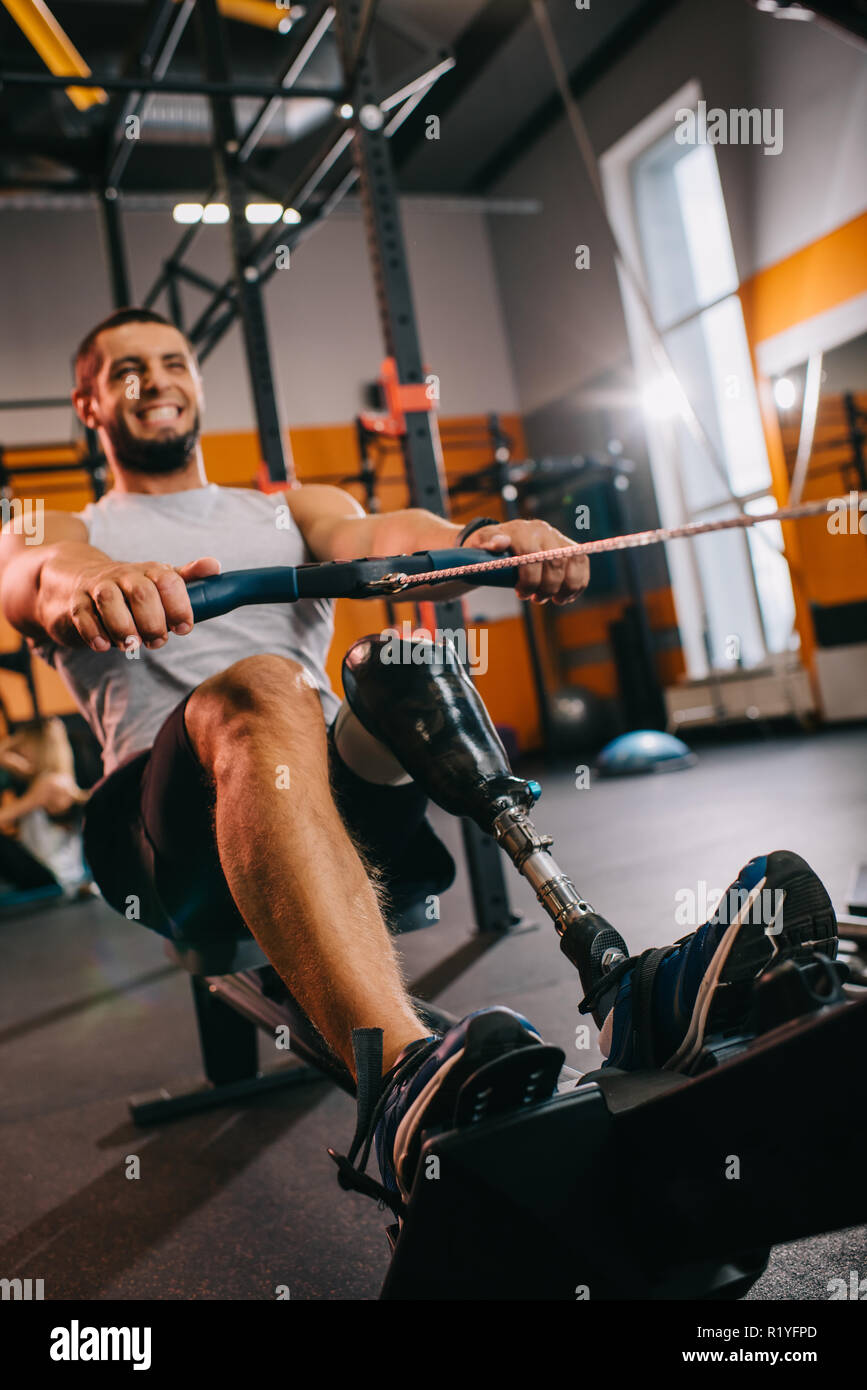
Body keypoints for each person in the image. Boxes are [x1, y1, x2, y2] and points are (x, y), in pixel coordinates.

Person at [0, 309, 837, 1211]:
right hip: (171, 838)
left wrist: (478, 541)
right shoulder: (65, 524)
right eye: (128, 370)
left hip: (330, 798)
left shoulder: (290, 507)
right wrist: (97, 584)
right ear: (89, 401)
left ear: (197, 385)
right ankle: (400, 1077)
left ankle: (617, 982)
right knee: (259, 686)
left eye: (173, 362)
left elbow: (386, 537)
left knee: (403, 661)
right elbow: (39, 574)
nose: (157, 379)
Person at [0, 717, 92, 899]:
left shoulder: (51, 784)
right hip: (49, 870)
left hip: (55, 875)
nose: (20, 752)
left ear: (38, 748)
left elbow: (4, 817)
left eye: (25, 746)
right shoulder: (46, 780)